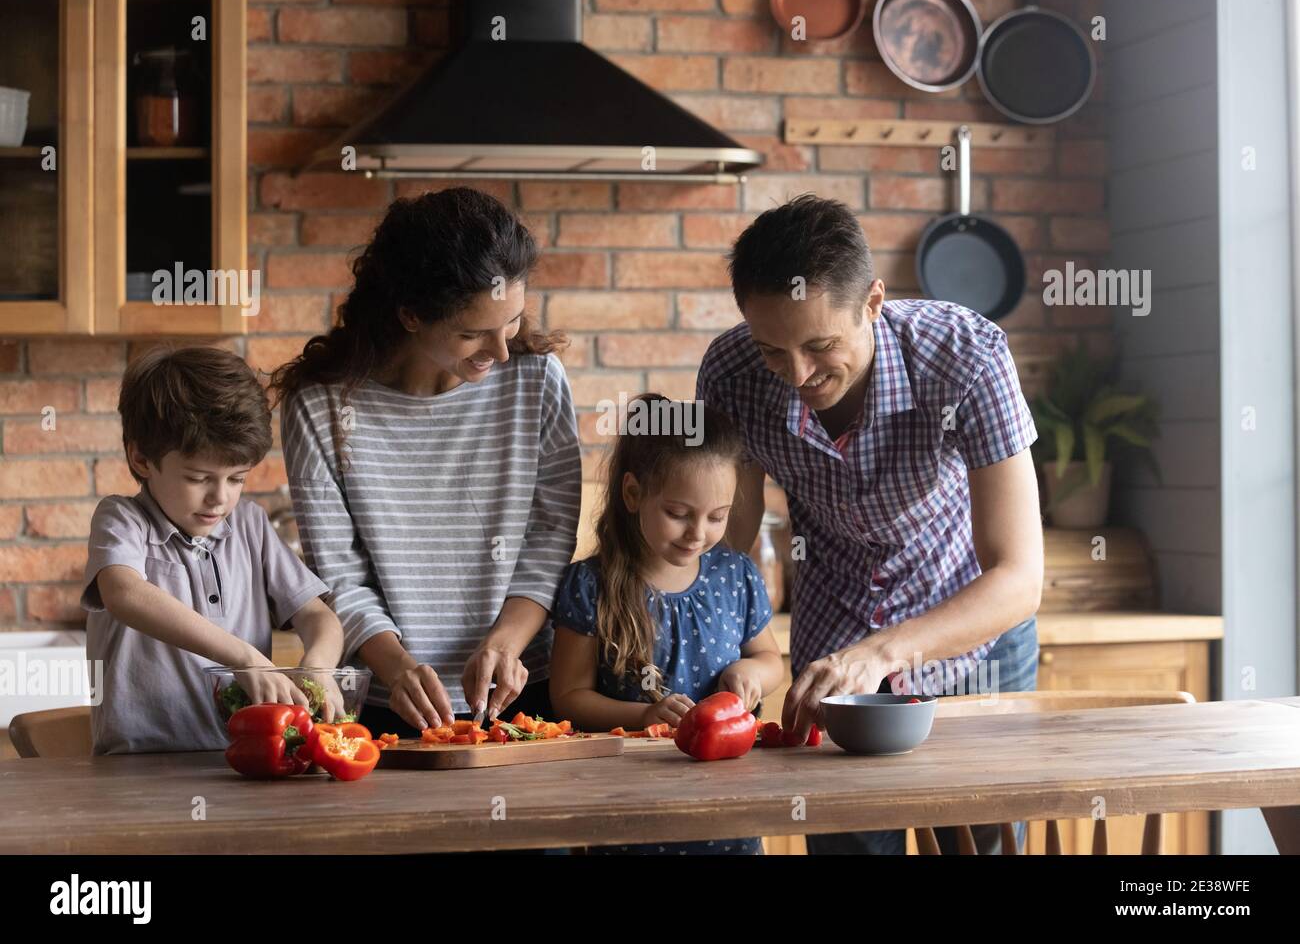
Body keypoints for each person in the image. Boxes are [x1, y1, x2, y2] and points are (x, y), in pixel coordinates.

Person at [697, 194, 1044, 854]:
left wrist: (883, 653)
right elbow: (730, 544)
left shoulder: (967, 357)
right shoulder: (734, 373)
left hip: (970, 633)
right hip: (834, 639)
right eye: (773, 348)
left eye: (821, 345)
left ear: (874, 303)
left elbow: (1019, 577)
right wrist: (710, 656)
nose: (797, 374)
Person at [274, 187, 582, 738]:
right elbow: (340, 573)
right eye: (472, 333)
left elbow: (550, 535)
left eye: (511, 321)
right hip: (387, 700)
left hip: (524, 687)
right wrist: (397, 668)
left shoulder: (536, 381)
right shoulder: (321, 406)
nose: (503, 350)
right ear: (411, 315)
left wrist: (505, 641)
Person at [548, 395, 782, 854]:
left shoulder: (735, 575)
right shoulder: (589, 584)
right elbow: (569, 698)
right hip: (628, 805)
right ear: (633, 494)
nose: (698, 533)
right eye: (678, 514)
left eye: (717, 517)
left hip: (728, 805)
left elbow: (770, 657)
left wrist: (754, 673)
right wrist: (645, 716)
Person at [82, 346, 343, 754]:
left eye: (236, 479)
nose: (219, 498)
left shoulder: (251, 526)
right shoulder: (122, 519)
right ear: (142, 458)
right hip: (137, 767)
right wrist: (244, 656)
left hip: (244, 760)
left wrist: (319, 665)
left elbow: (317, 615)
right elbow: (124, 593)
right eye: (199, 478)